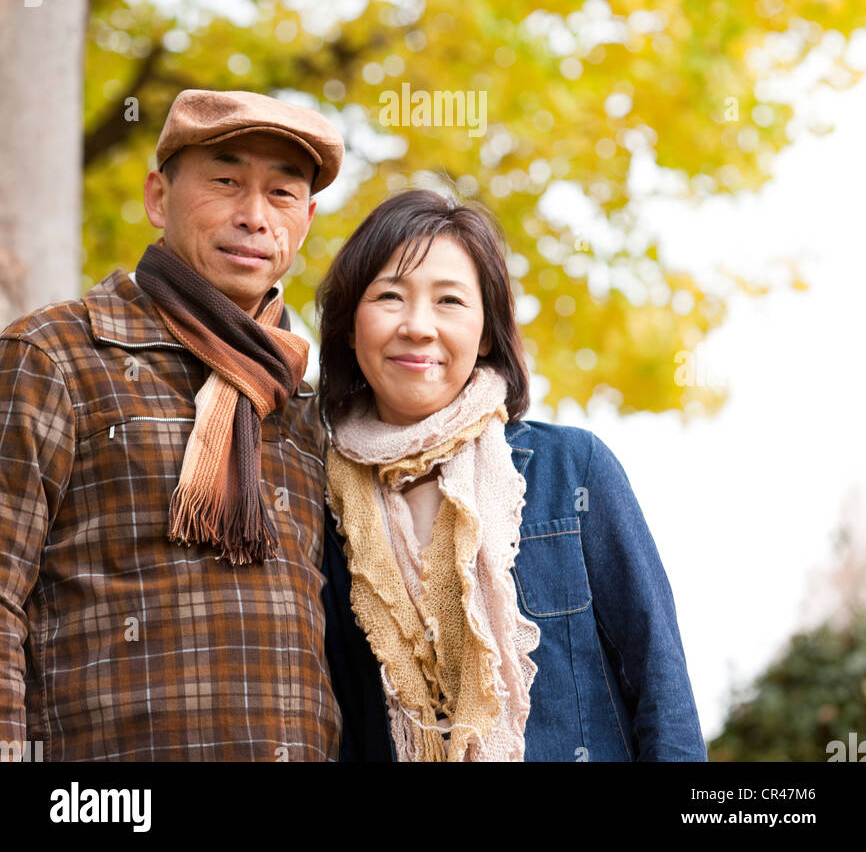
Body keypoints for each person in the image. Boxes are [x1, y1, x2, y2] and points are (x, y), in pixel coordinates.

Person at [0, 87, 345, 762]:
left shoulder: (306, 414)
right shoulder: (55, 356)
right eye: (225, 181)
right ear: (159, 197)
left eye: (281, 194)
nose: (254, 217)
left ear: (304, 220)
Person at [317, 189, 708, 762]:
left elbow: (660, 681)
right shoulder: (322, 504)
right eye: (390, 296)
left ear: (486, 333)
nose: (418, 326)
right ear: (351, 327)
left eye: (449, 300)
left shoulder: (570, 469)